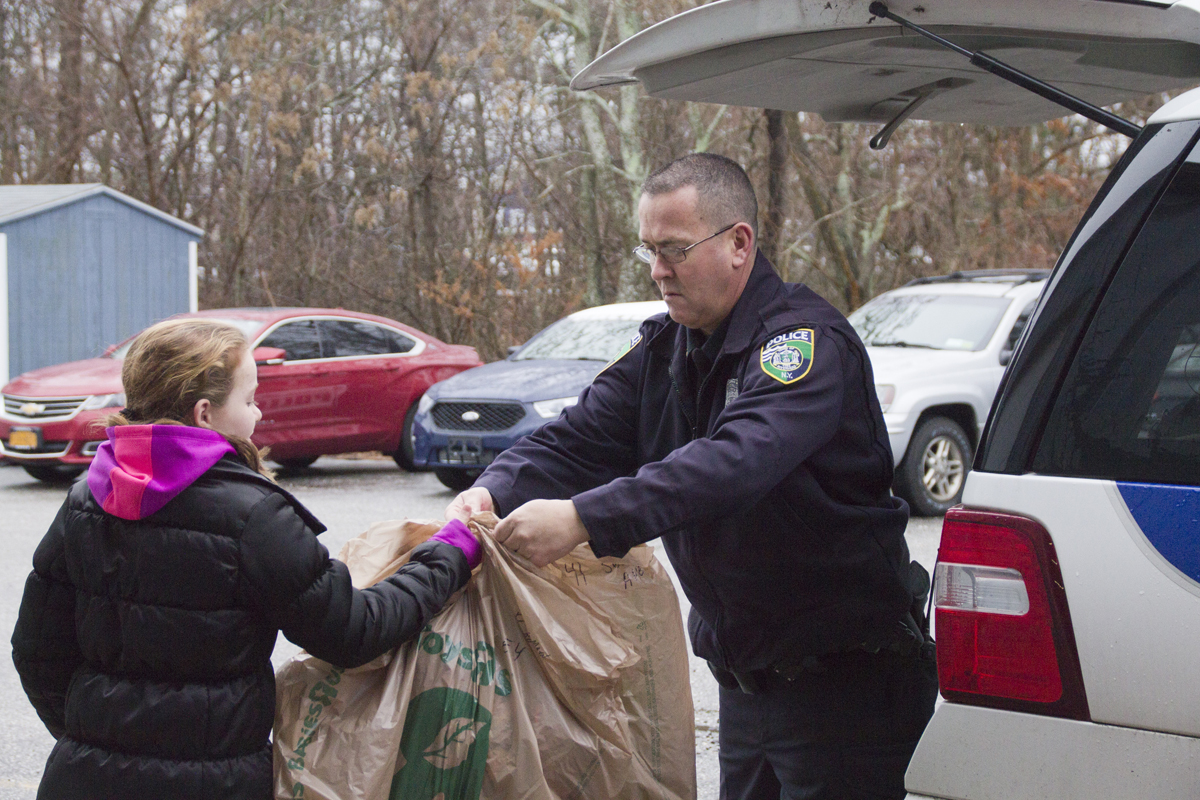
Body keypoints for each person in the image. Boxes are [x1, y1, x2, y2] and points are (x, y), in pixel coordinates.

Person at [447, 153, 937, 799]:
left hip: (843, 685)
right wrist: (493, 487)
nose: (657, 271)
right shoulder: (667, 350)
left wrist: (583, 519)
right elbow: (575, 438)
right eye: (648, 250)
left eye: (674, 249)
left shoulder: (803, 346)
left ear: (739, 244)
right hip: (745, 683)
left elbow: (734, 462)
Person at [11, 319, 482, 800]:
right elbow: (355, 630)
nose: (258, 415)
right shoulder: (253, 515)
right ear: (204, 413)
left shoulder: (86, 497)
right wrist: (450, 553)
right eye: (250, 399)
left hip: (83, 780)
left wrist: (89, 738)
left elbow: (36, 651)